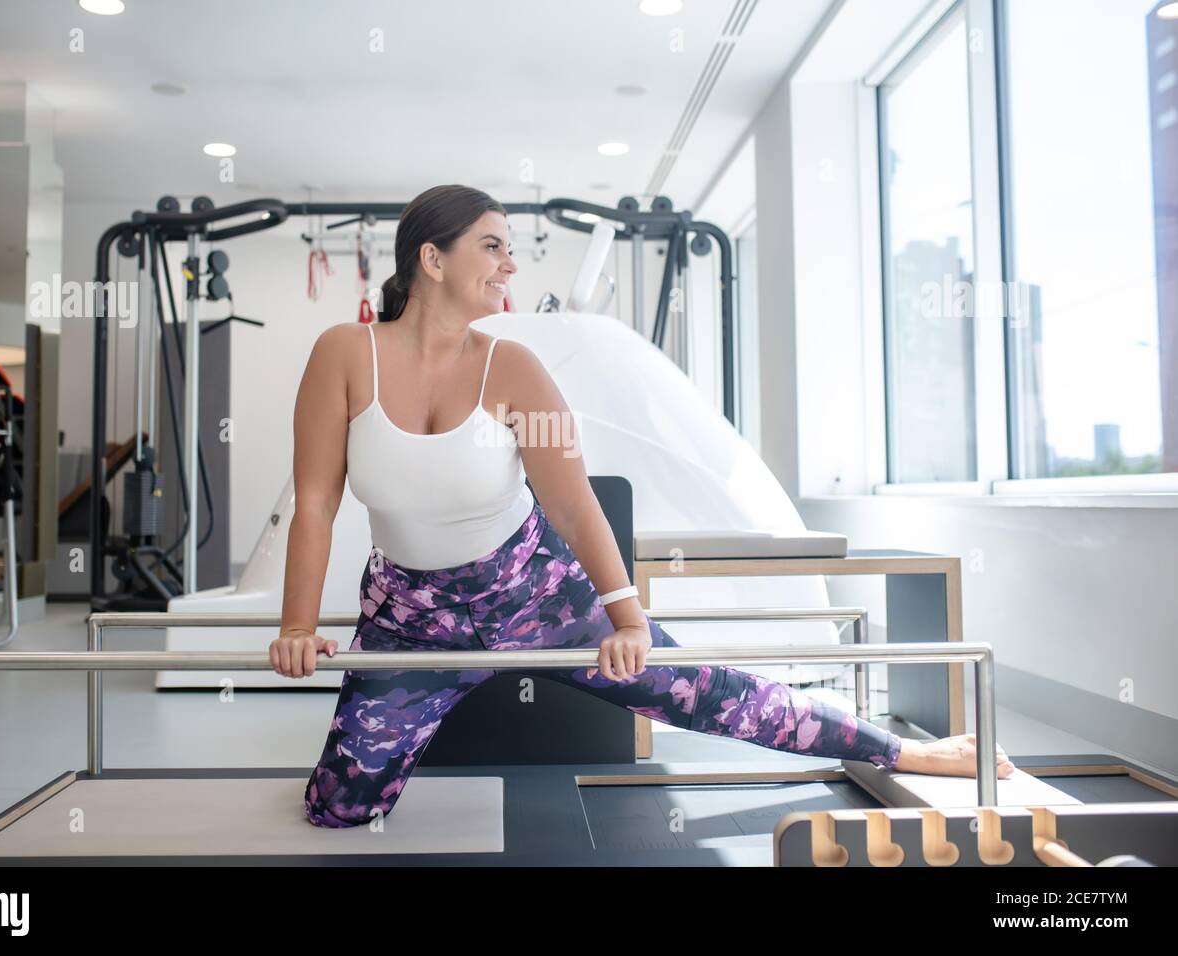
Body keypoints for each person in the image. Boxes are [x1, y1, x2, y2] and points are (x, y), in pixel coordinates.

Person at [272, 184, 1015, 829]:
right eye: (492, 245)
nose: (509, 263)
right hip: (409, 617)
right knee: (339, 810)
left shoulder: (515, 368)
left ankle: (904, 749)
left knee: (712, 695)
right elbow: (313, 503)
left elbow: (569, 503)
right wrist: (298, 627)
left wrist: (627, 618)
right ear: (432, 260)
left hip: (537, 593)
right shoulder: (345, 353)